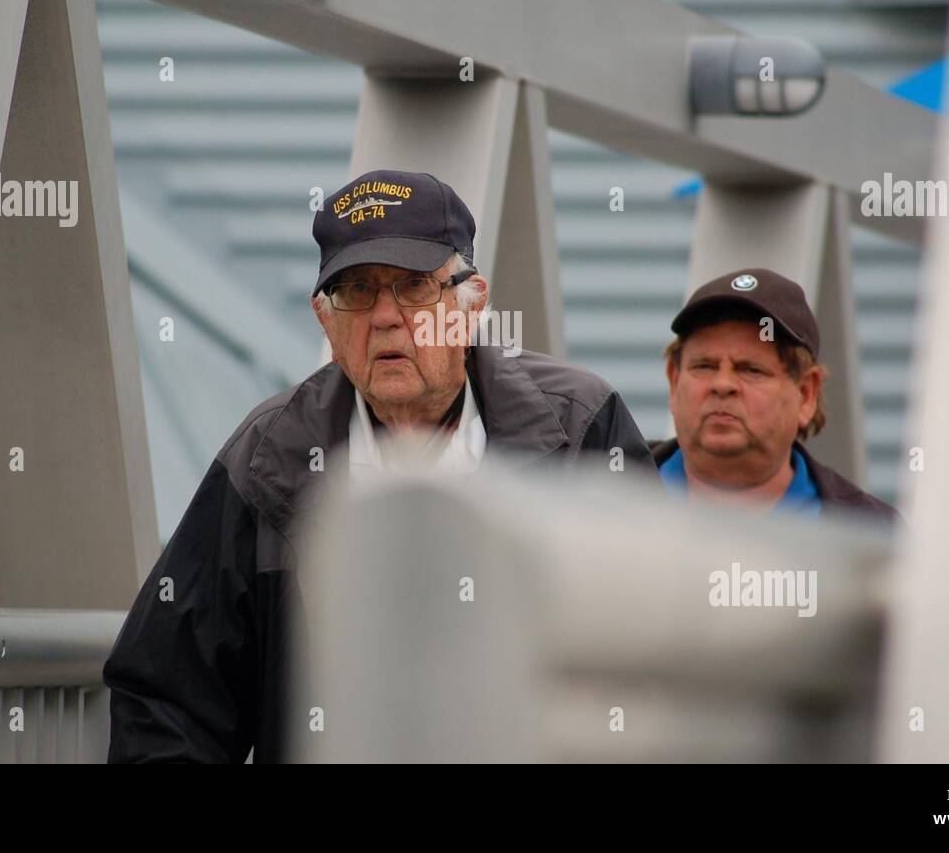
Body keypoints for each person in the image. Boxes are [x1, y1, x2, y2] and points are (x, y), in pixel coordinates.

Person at [103, 168, 654, 762]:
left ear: (470, 306)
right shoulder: (268, 459)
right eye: (358, 290)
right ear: (327, 322)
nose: (386, 316)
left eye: (415, 286)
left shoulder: (580, 430)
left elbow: (660, 658)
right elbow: (164, 699)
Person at [653, 267, 899, 524]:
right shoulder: (612, 491)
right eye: (704, 366)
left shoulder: (871, 536)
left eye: (751, 370)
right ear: (674, 380)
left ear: (806, 394)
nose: (723, 384)